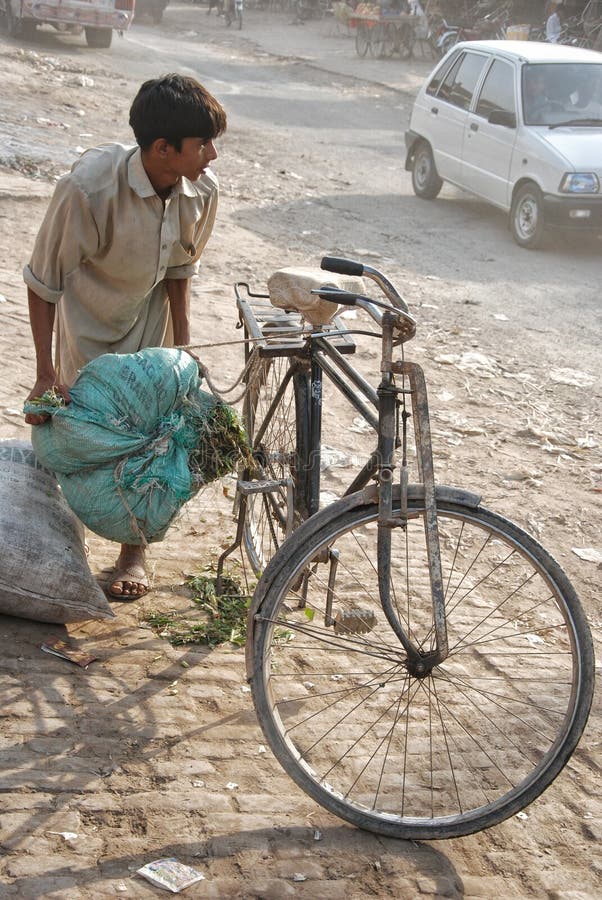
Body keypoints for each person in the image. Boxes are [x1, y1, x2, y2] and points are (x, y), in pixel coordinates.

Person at [23, 74, 227, 601]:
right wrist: (45, 374)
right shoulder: (87, 190)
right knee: (85, 433)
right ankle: (66, 537)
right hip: (89, 324)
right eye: (202, 144)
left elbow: (182, 267)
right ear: (163, 148)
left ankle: (132, 552)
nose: (212, 154)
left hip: (151, 320)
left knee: (154, 435)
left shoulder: (201, 191)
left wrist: (183, 346)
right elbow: (44, 283)